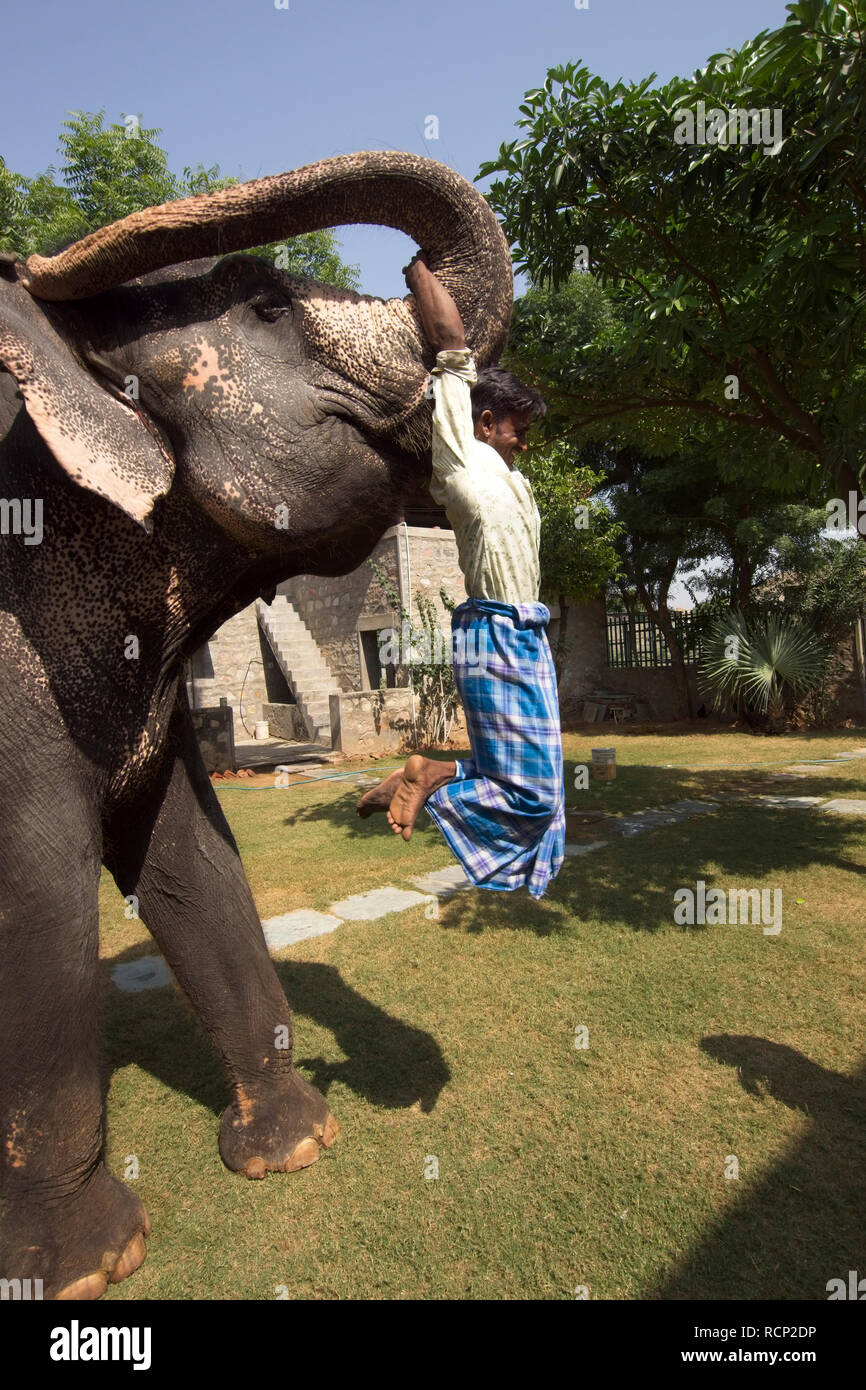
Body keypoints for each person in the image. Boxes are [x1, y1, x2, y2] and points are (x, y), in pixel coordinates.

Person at [357, 252, 565, 900]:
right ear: (484, 423)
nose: (524, 442)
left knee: (542, 788)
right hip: (496, 631)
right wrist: (418, 265)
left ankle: (421, 775)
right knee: (530, 794)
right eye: (518, 430)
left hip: (525, 634)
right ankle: (426, 774)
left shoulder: (513, 480)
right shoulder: (461, 458)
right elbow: (451, 348)